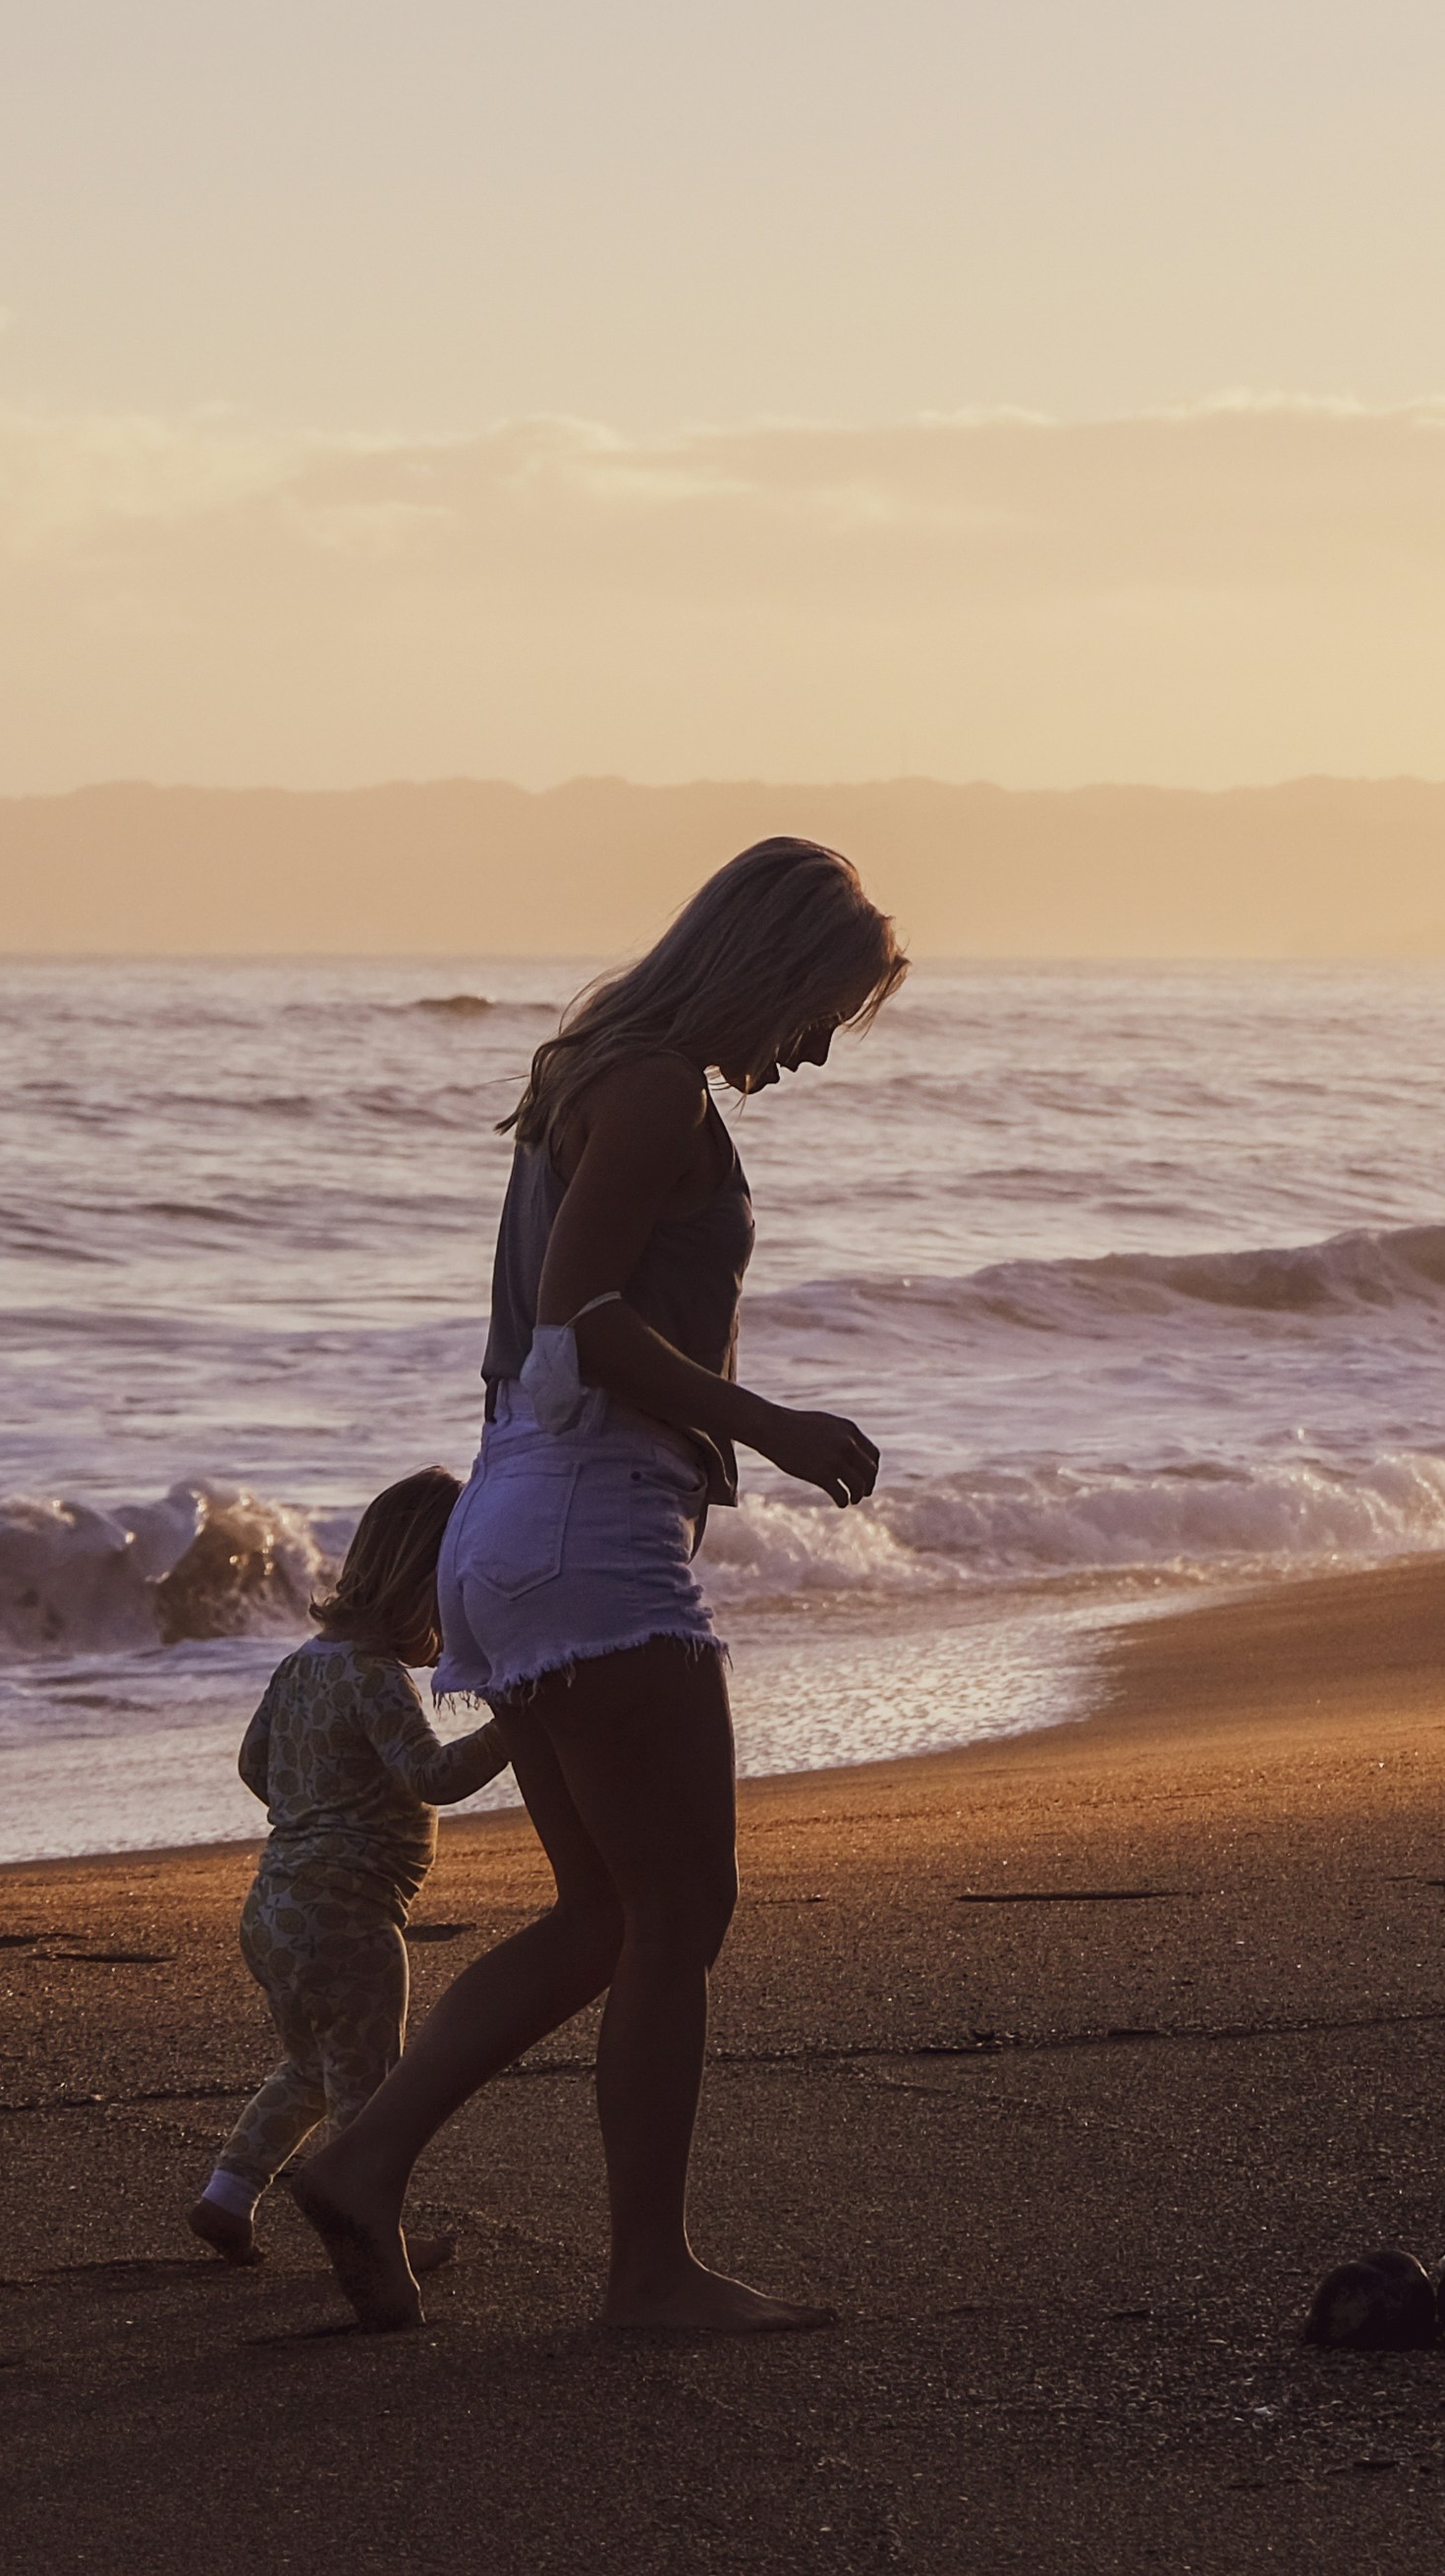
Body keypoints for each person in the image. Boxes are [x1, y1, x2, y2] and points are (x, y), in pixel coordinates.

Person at [282, 838, 904, 2333]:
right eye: (818, 1006)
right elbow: (578, 1315)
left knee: (602, 1916)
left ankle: (364, 2160)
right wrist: (778, 1426)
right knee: (679, 1910)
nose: (812, 1049)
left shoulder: (595, 1073)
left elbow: (542, 1335)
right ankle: (647, 2273)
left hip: (515, 1517)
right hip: (587, 1526)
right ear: (764, 965)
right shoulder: (652, 1089)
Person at [188, 1465, 515, 2265]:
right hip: (348, 1915)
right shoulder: (374, 1674)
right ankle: (372, 2236)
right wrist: (518, 1721)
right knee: (370, 2090)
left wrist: (316, 1799)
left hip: (274, 1907)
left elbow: (254, 1764)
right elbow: (433, 1777)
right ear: (420, 1582)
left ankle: (226, 2197)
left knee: (312, 2067)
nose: (449, 1632)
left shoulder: (304, 1662)